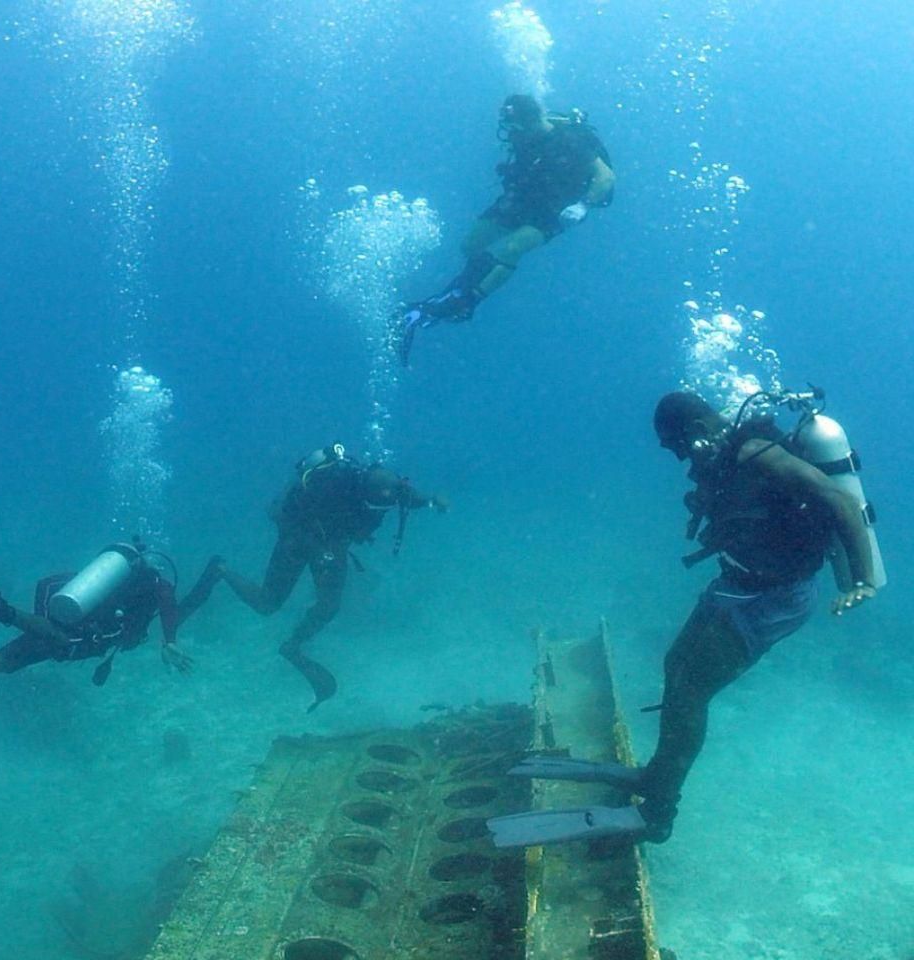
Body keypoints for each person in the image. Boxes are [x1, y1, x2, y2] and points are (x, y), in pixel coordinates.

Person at [487, 391, 878, 849]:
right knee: (676, 668)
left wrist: (863, 580)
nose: (674, 456)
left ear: (693, 430)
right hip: (737, 583)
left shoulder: (755, 452)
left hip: (775, 598)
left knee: (692, 691)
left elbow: (839, 499)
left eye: (672, 445)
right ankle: (657, 775)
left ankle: (657, 815)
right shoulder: (724, 454)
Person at [197, 444, 448, 711]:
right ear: (363, 494)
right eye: (373, 506)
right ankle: (221, 570)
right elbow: (294, 518)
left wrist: (434, 501)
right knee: (267, 604)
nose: (378, 511)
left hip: (334, 544)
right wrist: (321, 552)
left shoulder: (391, 490)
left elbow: (411, 499)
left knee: (329, 605)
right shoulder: (332, 487)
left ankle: (293, 644)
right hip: (297, 538)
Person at [396, 93, 615, 365]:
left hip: (557, 208)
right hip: (522, 199)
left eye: (516, 128)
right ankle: (456, 293)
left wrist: (583, 205)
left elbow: (606, 176)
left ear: (533, 120)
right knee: (470, 244)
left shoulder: (569, 138)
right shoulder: (523, 137)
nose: (510, 135)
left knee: (512, 248)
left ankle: (468, 301)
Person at [0, 543, 214, 684]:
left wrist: (41, 619)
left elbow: (48, 582)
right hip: (76, 637)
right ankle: (2, 612)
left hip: (62, 626)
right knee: (50, 643)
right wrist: (169, 639)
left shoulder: (104, 585)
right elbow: (170, 602)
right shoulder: (156, 585)